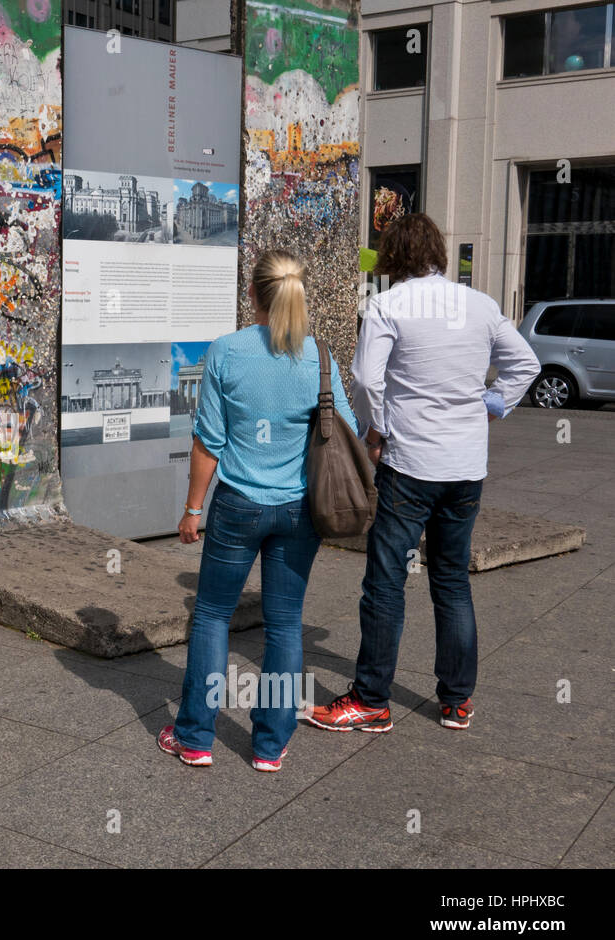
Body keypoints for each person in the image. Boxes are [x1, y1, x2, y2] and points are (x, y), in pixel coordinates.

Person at [308, 213, 541, 733]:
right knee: (452, 580)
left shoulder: (388, 305)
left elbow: (367, 378)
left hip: (410, 464)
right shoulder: (480, 304)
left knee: (386, 582)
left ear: (394, 255)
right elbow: (526, 364)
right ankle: (456, 700)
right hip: (466, 467)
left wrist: (377, 429)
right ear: (436, 252)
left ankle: (371, 699)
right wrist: (492, 403)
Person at [158, 250, 358, 772]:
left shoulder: (225, 352)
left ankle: (196, 738)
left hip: (238, 507)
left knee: (211, 615)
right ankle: (270, 746)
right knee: (286, 624)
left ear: (252, 294)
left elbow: (208, 444)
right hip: (298, 510)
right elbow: (349, 432)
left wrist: (192, 510)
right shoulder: (318, 357)